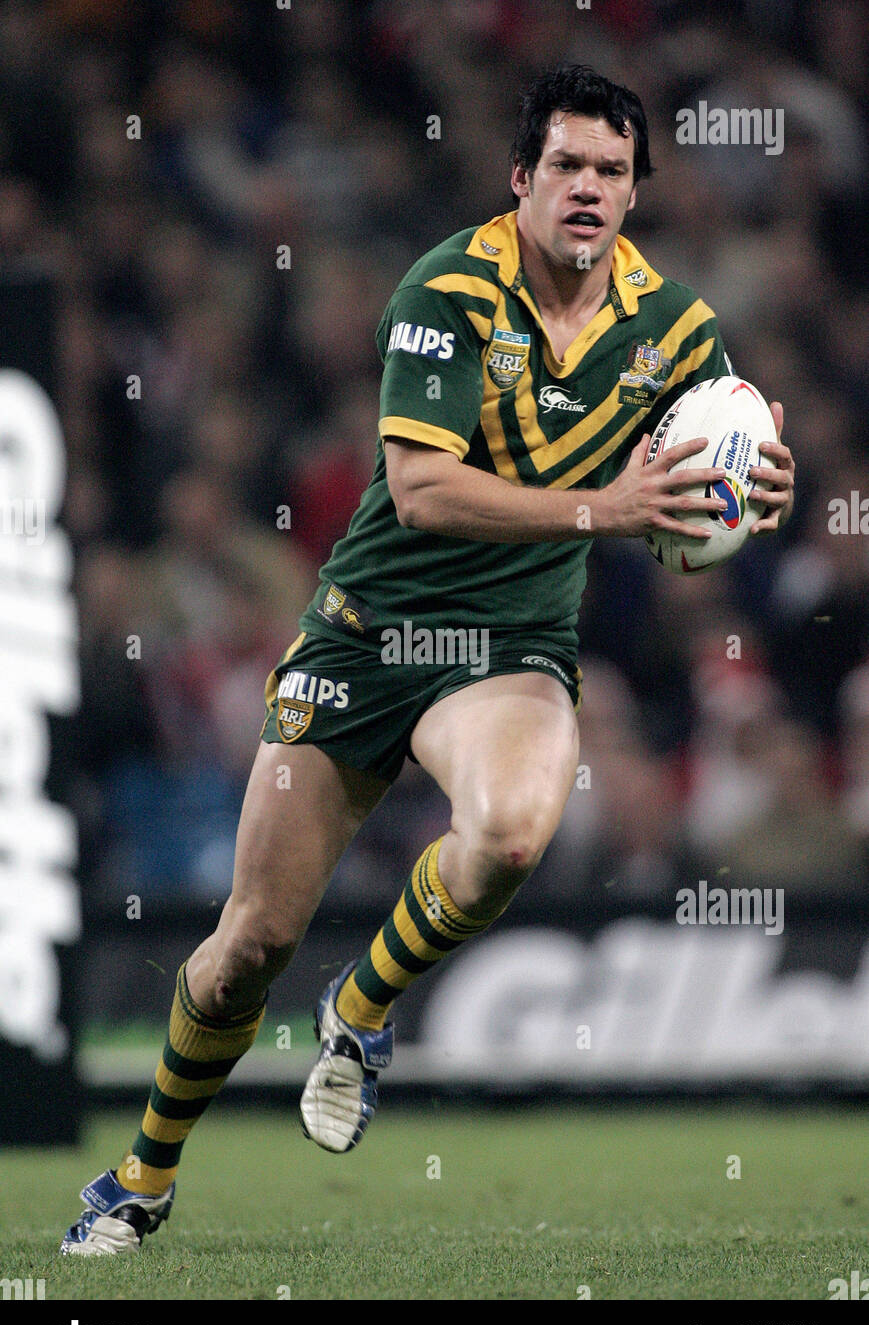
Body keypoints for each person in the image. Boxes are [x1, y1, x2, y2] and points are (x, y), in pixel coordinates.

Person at [61, 64, 794, 1254]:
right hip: (367, 633)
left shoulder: (675, 331)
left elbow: (724, 464)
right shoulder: (447, 288)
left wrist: (761, 485)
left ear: (632, 193)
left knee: (508, 834)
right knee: (248, 944)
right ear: (520, 178)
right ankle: (142, 1176)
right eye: (566, 165)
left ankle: (361, 1011)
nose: (588, 188)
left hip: (509, 647)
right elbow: (421, 488)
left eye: (611, 170)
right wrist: (606, 512)